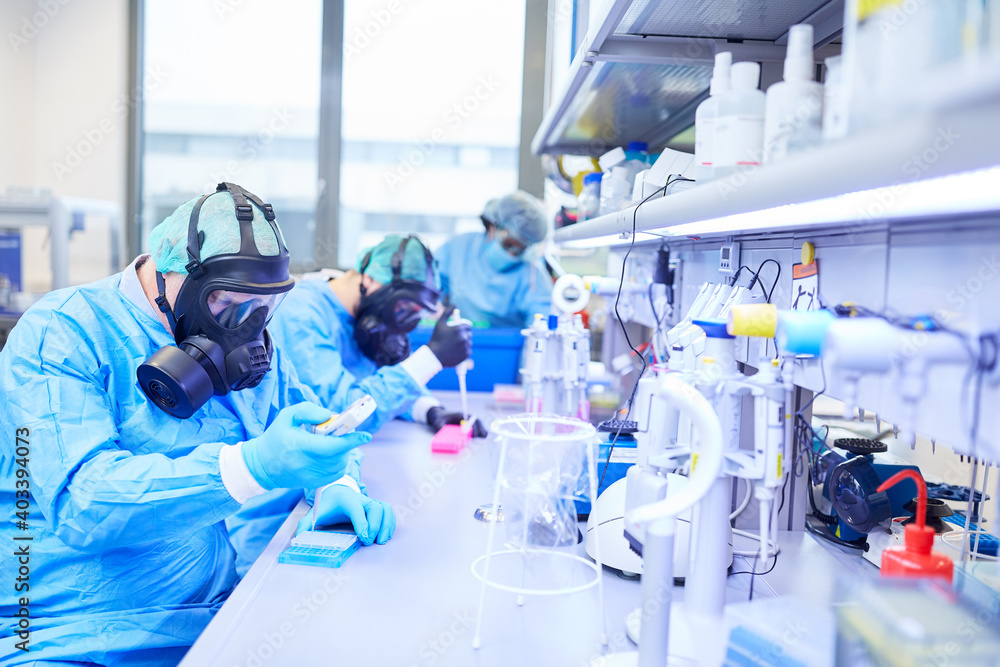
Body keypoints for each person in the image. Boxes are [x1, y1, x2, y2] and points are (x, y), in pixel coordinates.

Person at [0, 183, 394, 666]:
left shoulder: (246, 345)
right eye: (226, 304)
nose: (246, 326)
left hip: (210, 619)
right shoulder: (61, 333)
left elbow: (319, 427)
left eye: (264, 308)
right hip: (63, 636)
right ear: (171, 277)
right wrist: (248, 468)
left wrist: (339, 480)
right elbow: (82, 502)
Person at [227, 235, 478, 573]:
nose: (405, 323)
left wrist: (428, 410)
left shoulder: (362, 316)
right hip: (275, 511)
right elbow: (340, 414)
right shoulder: (303, 313)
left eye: (416, 314)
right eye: (404, 308)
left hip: (332, 479)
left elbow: (377, 376)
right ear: (369, 280)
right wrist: (430, 359)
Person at [435, 191, 554, 328]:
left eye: (519, 249)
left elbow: (542, 320)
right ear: (493, 227)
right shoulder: (458, 248)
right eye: (508, 244)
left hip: (505, 346)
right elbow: (429, 286)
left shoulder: (532, 273)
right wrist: (433, 308)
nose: (510, 254)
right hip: (456, 340)